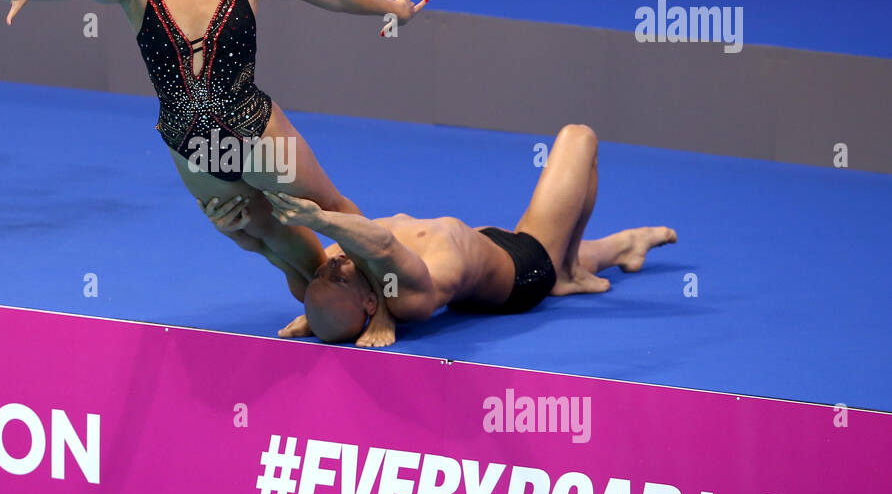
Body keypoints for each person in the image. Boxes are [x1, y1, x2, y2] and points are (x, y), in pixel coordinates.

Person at [0, 0, 425, 305]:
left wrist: (393, 9)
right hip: (194, 148)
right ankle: (328, 306)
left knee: (333, 212)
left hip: (256, 131)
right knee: (271, 241)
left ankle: (384, 303)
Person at [203, 124, 676, 348]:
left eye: (325, 272)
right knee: (579, 137)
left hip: (485, 248)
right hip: (526, 269)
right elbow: (383, 245)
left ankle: (621, 247)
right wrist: (320, 218)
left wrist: (232, 225)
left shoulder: (341, 273)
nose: (334, 262)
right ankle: (566, 271)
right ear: (371, 303)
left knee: (576, 246)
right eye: (338, 277)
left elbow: (268, 245)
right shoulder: (410, 297)